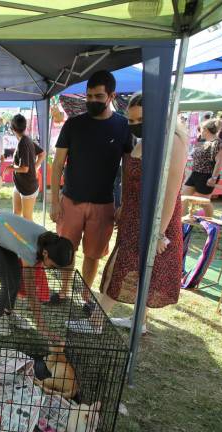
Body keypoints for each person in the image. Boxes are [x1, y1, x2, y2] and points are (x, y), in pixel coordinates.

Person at [96, 92, 189, 334]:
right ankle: (140, 322)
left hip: (155, 220)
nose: (135, 126)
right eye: (132, 121)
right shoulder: (145, 140)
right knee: (137, 270)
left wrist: (159, 232)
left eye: (140, 120)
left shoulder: (173, 141)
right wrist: (125, 206)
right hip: (132, 216)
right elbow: (132, 179)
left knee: (121, 268)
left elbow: (171, 192)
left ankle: (96, 321)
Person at [50, 70, 132, 301]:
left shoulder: (123, 126)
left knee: (93, 255)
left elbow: (128, 170)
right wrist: (54, 201)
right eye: (89, 96)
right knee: (66, 250)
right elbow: (57, 165)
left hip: (104, 203)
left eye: (98, 96)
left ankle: (85, 295)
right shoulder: (73, 124)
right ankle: (65, 290)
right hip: (71, 200)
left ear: (111, 96)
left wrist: (124, 203)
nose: (92, 101)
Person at [0, 212, 74, 336]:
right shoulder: (31, 251)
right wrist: (42, 327)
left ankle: (9, 313)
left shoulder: (48, 240)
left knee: (16, 281)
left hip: (2, 227)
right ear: (45, 253)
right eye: (53, 265)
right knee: (8, 283)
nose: (51, 268)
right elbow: (31, 294)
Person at [4, 114, 44, 222]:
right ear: (25, 127)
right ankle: (17, 238)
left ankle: (31, 239)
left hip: (28, 187)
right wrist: (35, 167)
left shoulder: (24, 142)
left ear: (12, 129)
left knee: (27, 218)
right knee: (16, 214)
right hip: (20, 184)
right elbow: (42, 153)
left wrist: (10, 168)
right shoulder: (26, 139)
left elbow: (25, 168)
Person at [182, 119, 222, 216]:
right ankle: (181, 222)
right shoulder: (203, 141)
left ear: (206, 129)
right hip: (195, 173)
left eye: (200, 129)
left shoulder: (218, 143)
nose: (199, 131)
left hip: (207, 175)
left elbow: (219, 162)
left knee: (204, 202)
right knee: (184, 197)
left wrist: (213, 178)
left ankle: (210, 222)